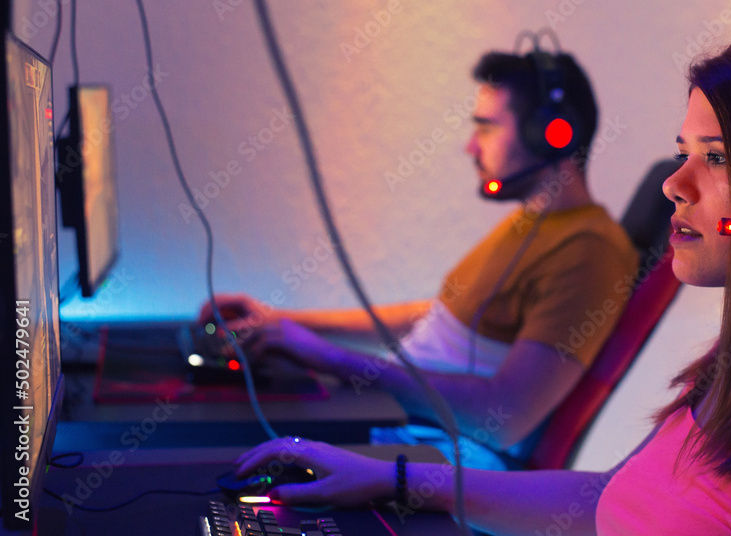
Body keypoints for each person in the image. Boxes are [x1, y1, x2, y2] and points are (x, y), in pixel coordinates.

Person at [232, 34, 731, 535]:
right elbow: (607, 502)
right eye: (680, 152)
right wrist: (393, 479)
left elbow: (508, 423)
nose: (675, 186)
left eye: (719, 158)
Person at [200, 48, 640, 456]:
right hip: (396, 421)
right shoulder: (533, 224)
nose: (471, 146)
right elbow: (439, 316)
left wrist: (325, 355)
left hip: (435, 453)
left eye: (486, 127)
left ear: (552, 135)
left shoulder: (590, 251)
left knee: (210, 445)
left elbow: (503, 419)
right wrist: (283, 322)